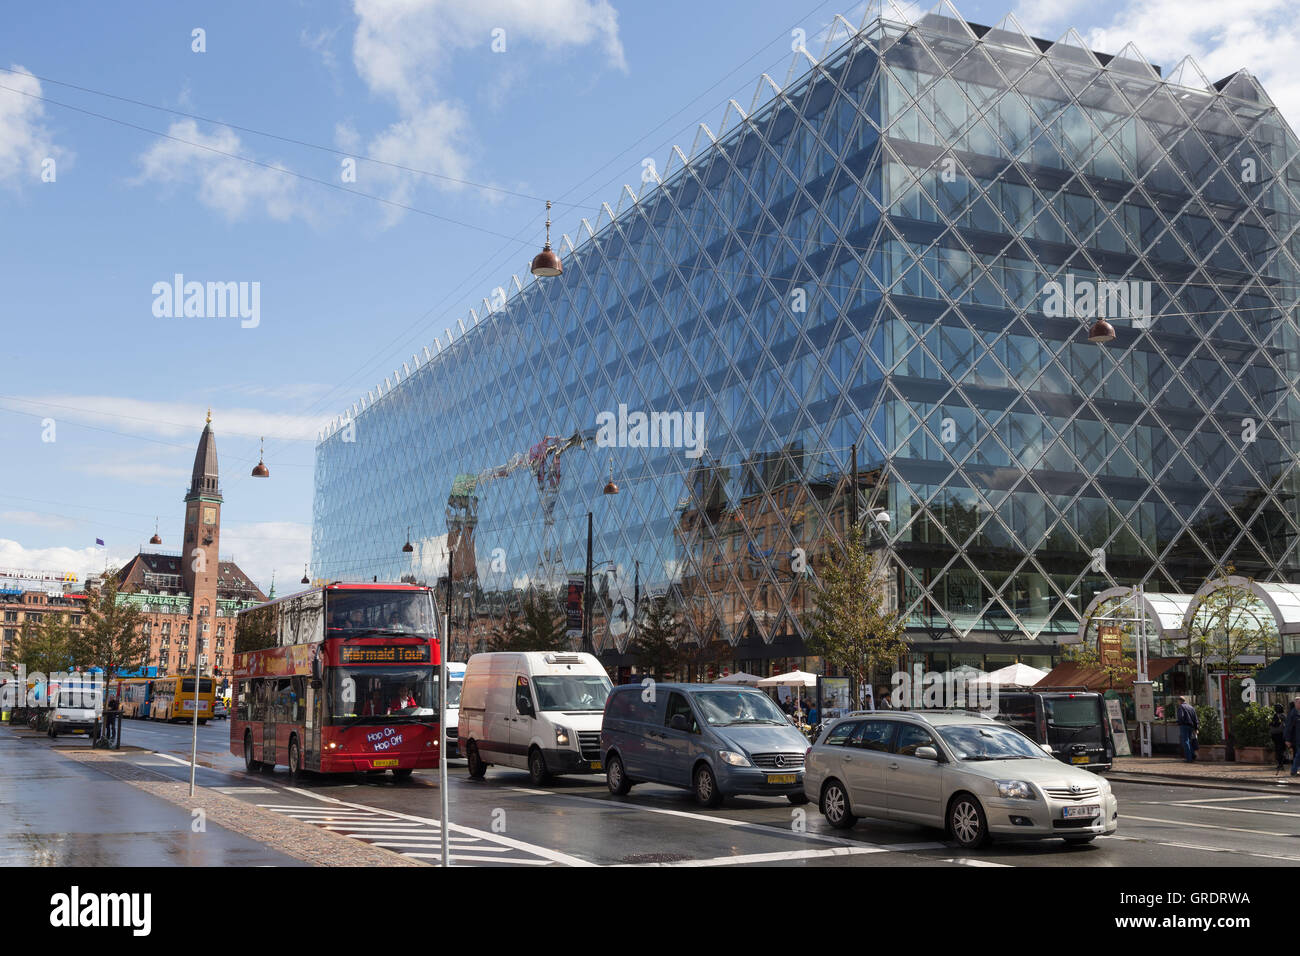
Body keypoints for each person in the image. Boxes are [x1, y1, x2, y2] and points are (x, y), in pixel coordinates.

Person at [1175, 696, 1199, 763]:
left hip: (1184, 725)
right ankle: (1192, 754)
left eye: (1178, 701)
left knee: (1185, 741)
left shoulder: (1181, 707)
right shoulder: (1191, 707)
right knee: (1189, 741)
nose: (1177, 702)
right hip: (1191, 726)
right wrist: (1196, 727)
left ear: (1180, 701)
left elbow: (1181, 717)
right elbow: (1195, 718)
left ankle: (1189, 758)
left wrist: (1179, 723)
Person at [1269, 704, 1287, 771]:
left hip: (1275, 735)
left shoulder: (1274, 716)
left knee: (1278, 749)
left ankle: (1280, 763)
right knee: (1281, 750)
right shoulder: (1283, 716)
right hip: (1281, 735)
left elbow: (1270, 724)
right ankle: (1281, 764)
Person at [1285, 697, 1300, 776]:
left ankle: (1295, 770)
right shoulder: (1293, 713)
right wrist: (1287, 739)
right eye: (1299, 703)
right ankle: (1294, 770)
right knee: (1298, 755)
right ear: (1295, 704)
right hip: (1297, 739)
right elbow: (1288, 727)